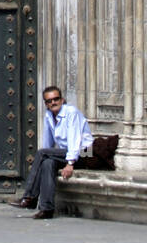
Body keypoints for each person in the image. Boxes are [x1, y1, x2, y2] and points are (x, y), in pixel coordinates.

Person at [10, 85, 93, 219]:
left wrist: (70, 164)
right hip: (66, 153)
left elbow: (75, 138)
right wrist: (44, 158)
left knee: (43, 154)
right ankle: (47, 209)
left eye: (56, 99)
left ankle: (29, 197)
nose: (53, 102)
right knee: (47, 162)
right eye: (49, 101)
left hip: (85, 153)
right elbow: (47, 144)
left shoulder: (71, 113)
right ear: (46, 103)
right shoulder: (49, 115)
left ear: (62, 100)